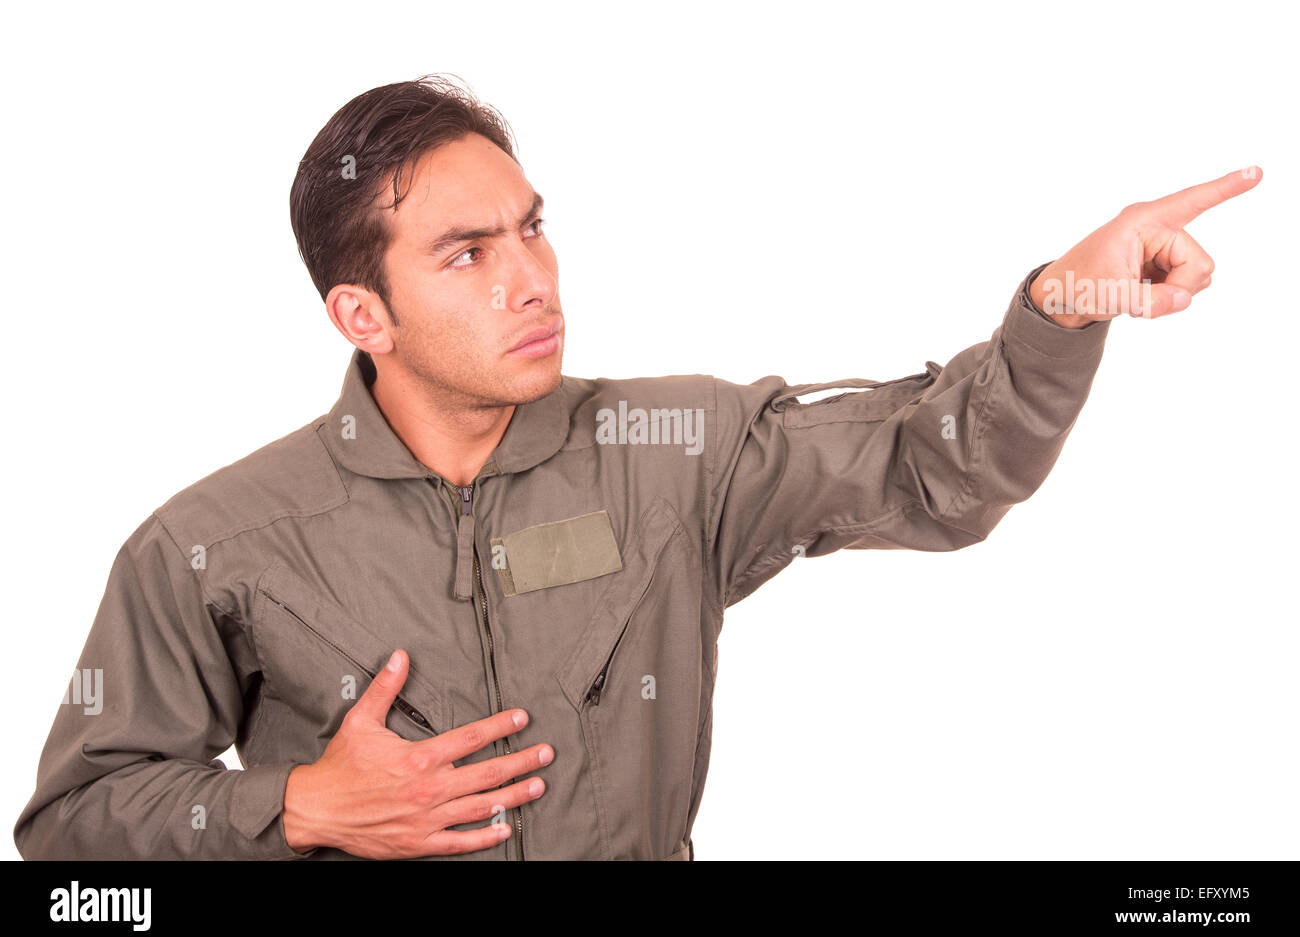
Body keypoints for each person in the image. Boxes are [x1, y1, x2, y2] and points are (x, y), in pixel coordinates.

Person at [13, 75, 1260, 860]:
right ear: (362, 317)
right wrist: (293, 811)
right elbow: (71, 834)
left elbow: (944, 466)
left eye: (532, 228)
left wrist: (1066, 299)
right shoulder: (212, 542)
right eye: (464, 254)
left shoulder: (680, 454)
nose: (531, 279)